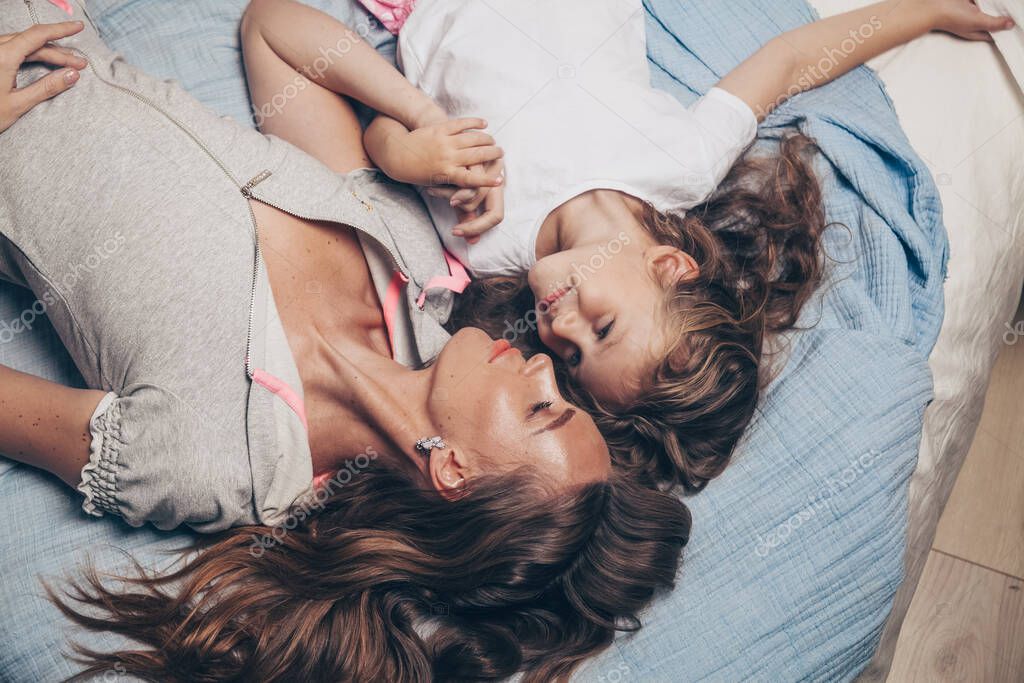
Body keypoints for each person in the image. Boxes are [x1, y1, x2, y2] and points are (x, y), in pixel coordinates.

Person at [0, 4, 689, 679]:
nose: (543, 365)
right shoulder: (412, 262)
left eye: (542, 408)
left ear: (453, 470)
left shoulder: (211, 459)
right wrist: (421, 119)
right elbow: (272, 32)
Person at [354, 0, 1013, 489]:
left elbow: (379, 128)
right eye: (603, 326)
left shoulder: (485, 240)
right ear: (669, 265)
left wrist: (411, 152)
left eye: (574, 357)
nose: (560, 332)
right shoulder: (681, 164)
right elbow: (788, 61)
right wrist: (921, 12)